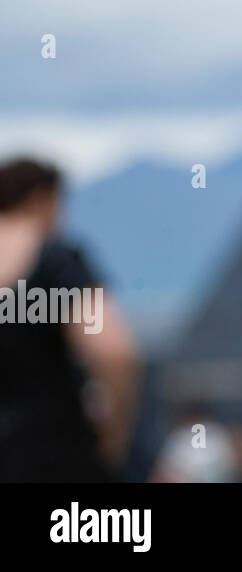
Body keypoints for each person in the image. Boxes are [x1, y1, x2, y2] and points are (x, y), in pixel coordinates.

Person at [0, 157, 141, 481]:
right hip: (49, 453)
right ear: (40, 200)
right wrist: (114, 436)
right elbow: (114, 351)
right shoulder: (53, 261)